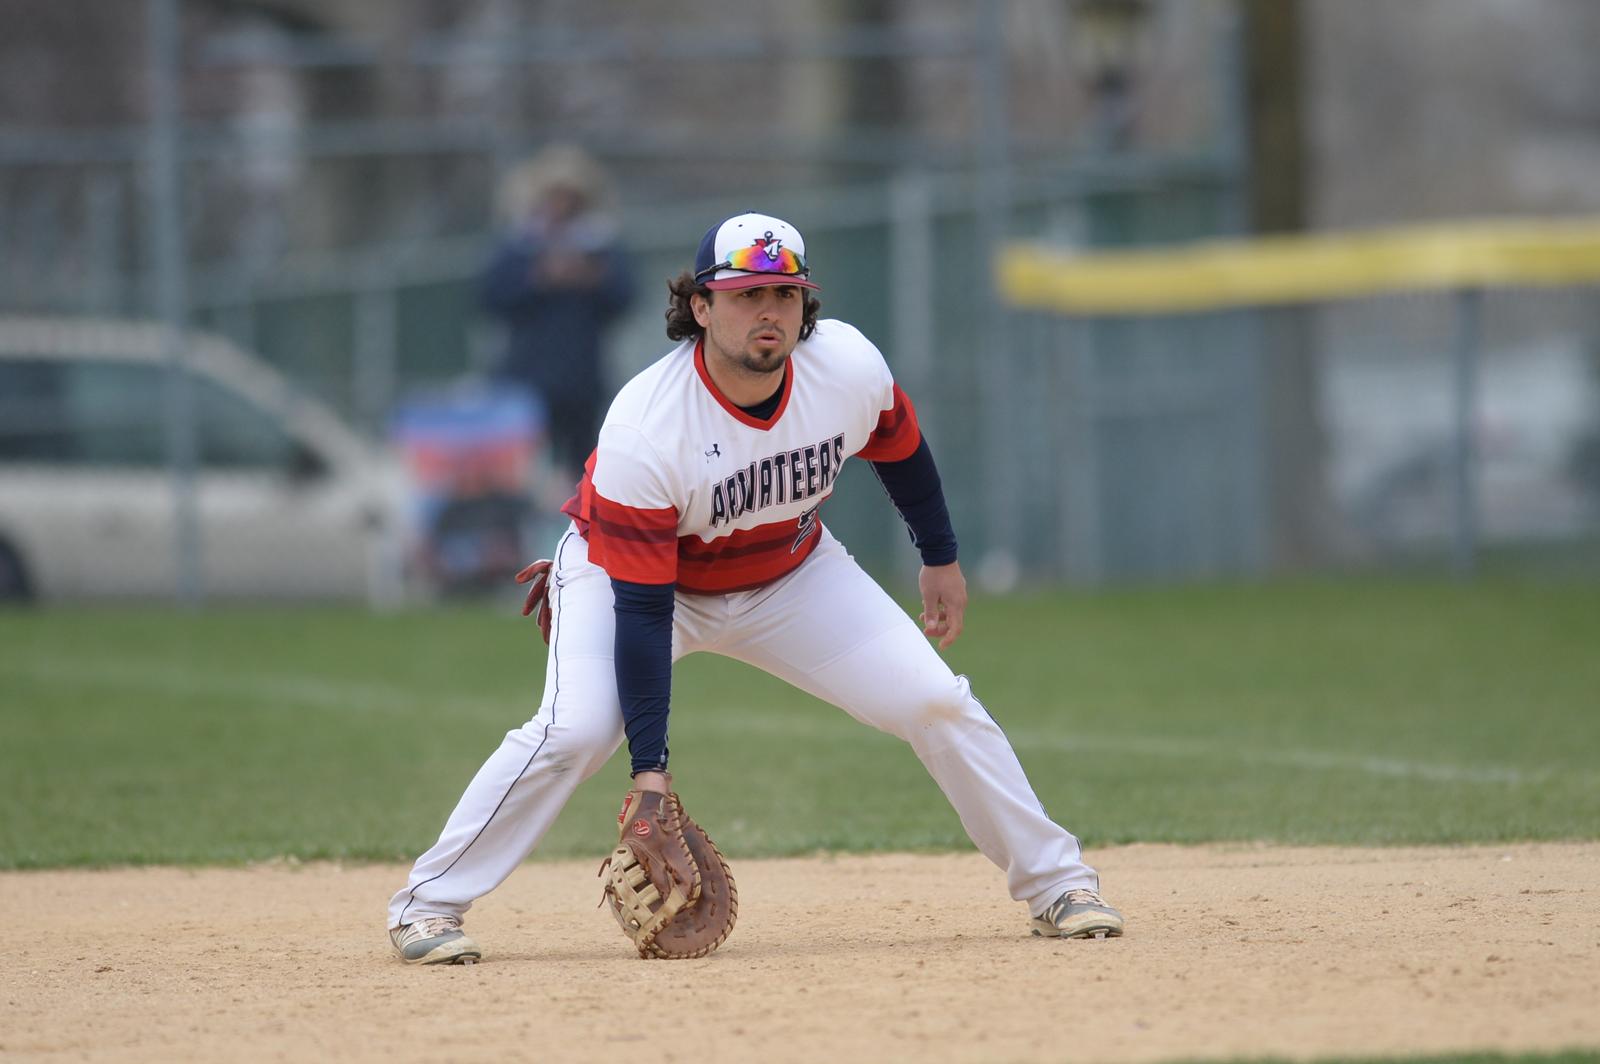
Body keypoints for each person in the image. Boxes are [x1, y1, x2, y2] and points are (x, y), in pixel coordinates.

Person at [388, 212, 1124, 965]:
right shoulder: (649, 424)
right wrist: (650, 774)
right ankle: (427, 905)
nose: (767, 310)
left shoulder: (845, 366)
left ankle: (1058, 883)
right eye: (744, 294)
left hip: (791, 572)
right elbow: (644, 613)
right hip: (634, 581)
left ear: (806, 305)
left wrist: (940, 557)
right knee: (572, 731)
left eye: (783, 292)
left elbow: (901, 449)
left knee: (935, 701)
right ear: (700, 307)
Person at [480, 144, 634, 477]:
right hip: (527, 377)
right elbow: (490, 299)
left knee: (584, 470)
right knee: (528, 468)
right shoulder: (520, 245)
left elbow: (625, 298)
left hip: (584, 377)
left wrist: (591, 279)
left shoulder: (599, 244)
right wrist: (538, 280)